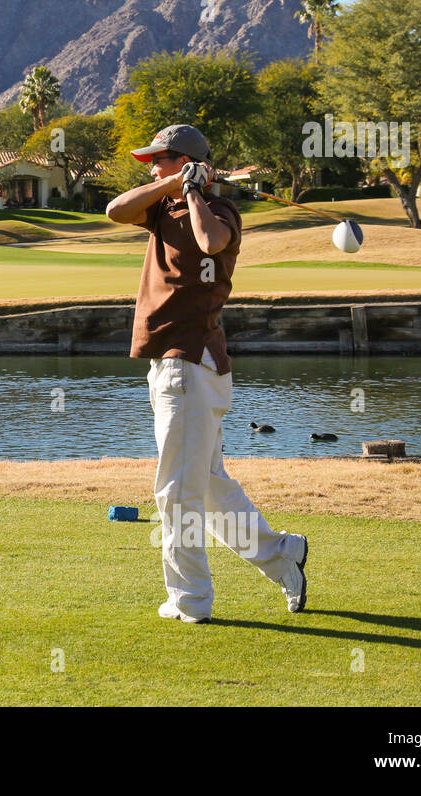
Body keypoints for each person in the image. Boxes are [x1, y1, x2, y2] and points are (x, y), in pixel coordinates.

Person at [105, 124, 308, 624]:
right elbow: (114, 209)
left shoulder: (221, 212)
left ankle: (190, 599)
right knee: (211, 487)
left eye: (159, 160)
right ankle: (282, 554)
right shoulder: (161, 206)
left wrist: (195, 191)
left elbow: (210, 242)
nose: (151, 167)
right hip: (174, 366)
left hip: (190, 365)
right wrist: (173, 186)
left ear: (183, 159)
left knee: (176, 491)